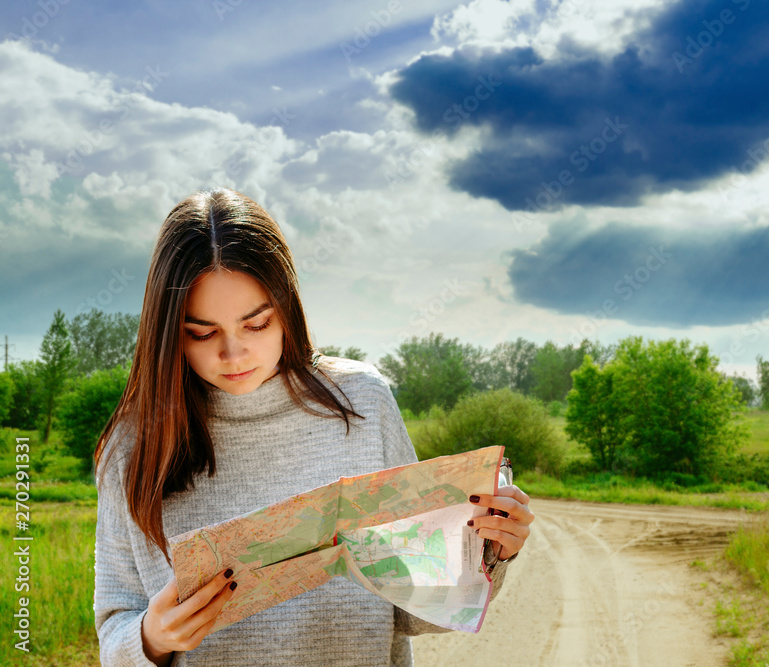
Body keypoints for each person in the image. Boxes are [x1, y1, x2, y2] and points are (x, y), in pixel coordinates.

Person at [92, 187, 534, 666]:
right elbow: (114, 627)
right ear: (167, 330)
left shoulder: (361, 402)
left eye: (256, 324)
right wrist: (151, 638)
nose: (233, 354)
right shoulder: (133, 447)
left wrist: (486, 552)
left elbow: (410, 614)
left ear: (287, 308)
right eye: (201, 332)